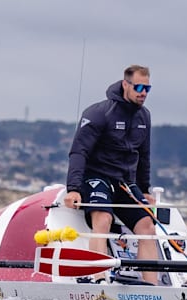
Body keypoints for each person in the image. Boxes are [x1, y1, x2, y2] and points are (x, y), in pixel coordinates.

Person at [63, 64, 160, 285]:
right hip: (96, 177)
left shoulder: (144, 116)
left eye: (147, 88)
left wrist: (145, 189)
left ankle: (153, 288)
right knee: (103, 219)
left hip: (124, 182)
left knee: (147, 226)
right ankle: (98, 278)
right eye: (138, 87)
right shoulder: (99, 112)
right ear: (125, 84)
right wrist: (74, 188)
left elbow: (144, 156)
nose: (143, 93)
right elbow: (79, 151)